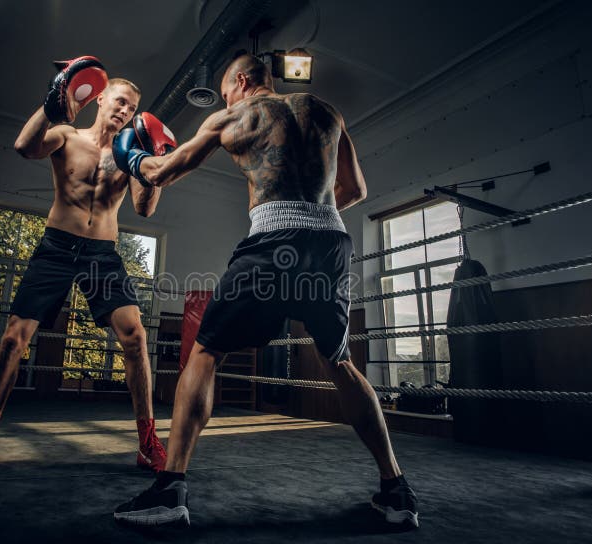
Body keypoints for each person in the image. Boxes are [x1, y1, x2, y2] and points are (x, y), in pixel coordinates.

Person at [112, 54, 418, 528]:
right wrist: (310, 218)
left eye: (225, 90)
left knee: (205, 353)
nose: (224, 99)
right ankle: (396, 490)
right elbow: (354, 189)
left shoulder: (233, 117)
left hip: (273, 241)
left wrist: (132, 154)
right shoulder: (326, 111)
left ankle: (169, 490)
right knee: (339, 362)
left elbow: (160, 173)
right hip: (330, 243)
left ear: (240, 82)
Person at [0, 56, 168, 473]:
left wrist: (152, 167)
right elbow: (24, 147)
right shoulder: (69, 135)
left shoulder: (128, 153)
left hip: (102, 254)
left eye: (130, 108)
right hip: (56, 247)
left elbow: (144, 210)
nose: (124, 111)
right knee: (14, 340)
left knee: (136, 339)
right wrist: (50, 106)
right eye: (120, 102)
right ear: (101, 97)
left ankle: (147, 441)